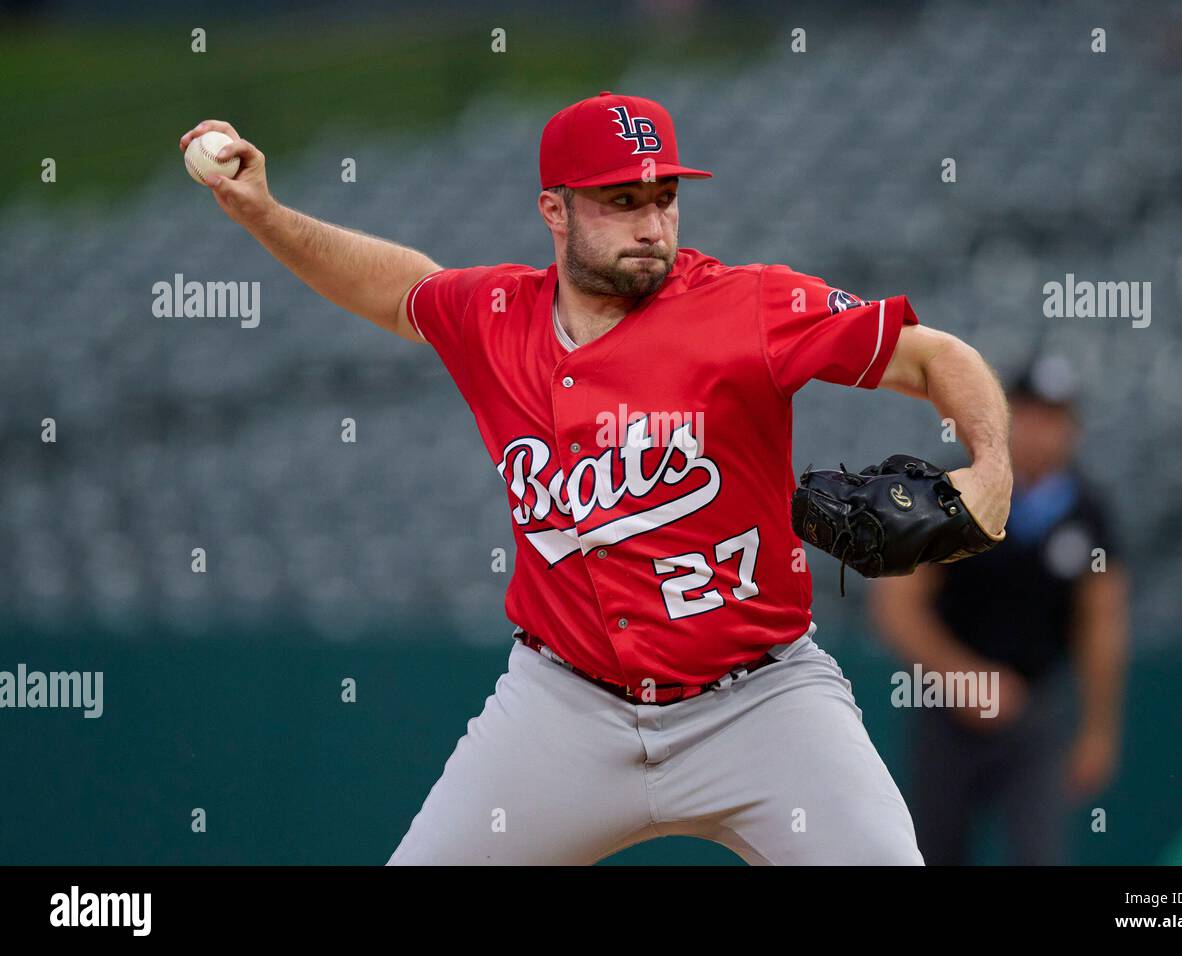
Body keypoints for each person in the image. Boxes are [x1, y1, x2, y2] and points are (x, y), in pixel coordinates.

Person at [178, 91, 1013, 865]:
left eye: (663, 197)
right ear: (555, 209)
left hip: (761, 701)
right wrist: (266, 215)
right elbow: (401, 292)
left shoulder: (749, 305)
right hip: (563, 708)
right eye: (621, 201)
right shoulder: (495, 318)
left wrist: (990, 472)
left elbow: (934, 355)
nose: (651, 222)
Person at [870, 356, 1129, 865]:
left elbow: (1102, 625)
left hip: (1033, 712)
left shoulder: (1087, 514)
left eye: (1054, 418)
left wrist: (1098, 728)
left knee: (1038, 853)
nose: (1041, 432)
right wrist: (963, 677)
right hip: (947, 712)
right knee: (931, 852)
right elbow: (897, 608)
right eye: (1029, 415)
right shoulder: (952, 493)